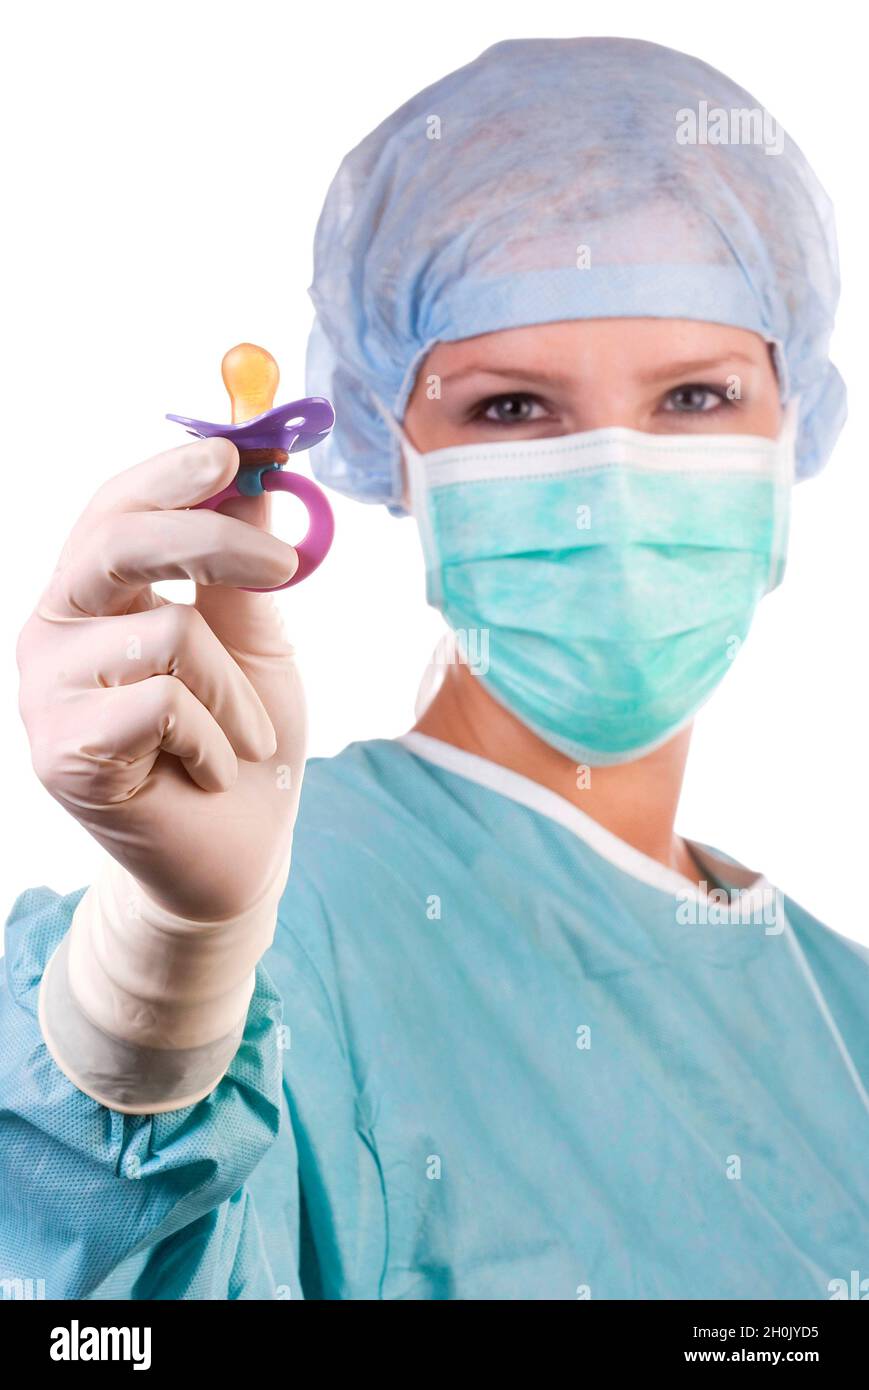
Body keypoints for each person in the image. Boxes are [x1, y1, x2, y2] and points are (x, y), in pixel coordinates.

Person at [2, 36, 867, 1302]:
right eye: (510, 408)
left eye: (694, 396)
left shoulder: (837, 1010)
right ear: (384, 447)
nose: (614, 479)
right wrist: (160, 975)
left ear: (794, 425)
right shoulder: (278, 931)